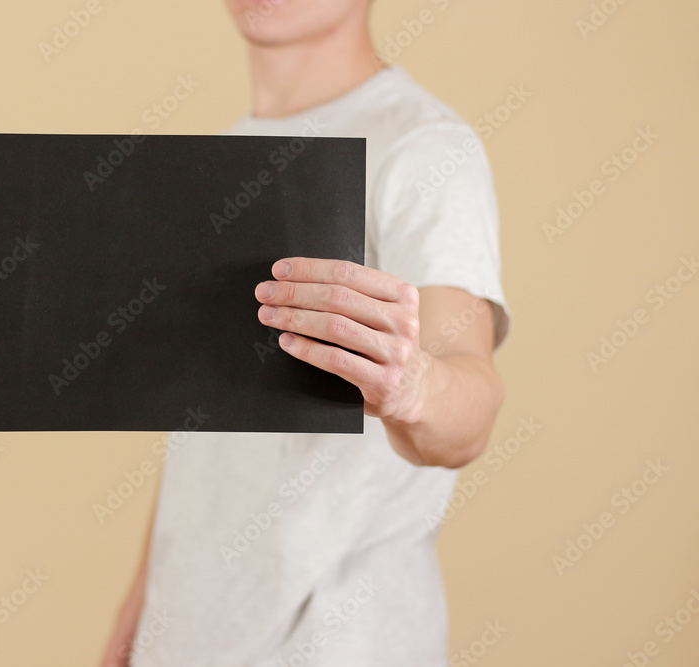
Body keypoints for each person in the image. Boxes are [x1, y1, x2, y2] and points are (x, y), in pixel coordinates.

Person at [99, 0, 511, 664]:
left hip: (339, 640)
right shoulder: (220, 156)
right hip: (191, 637)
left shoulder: (425, 146)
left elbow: (471, 399)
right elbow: (203, 426)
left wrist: (413, 386)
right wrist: (144, 601)